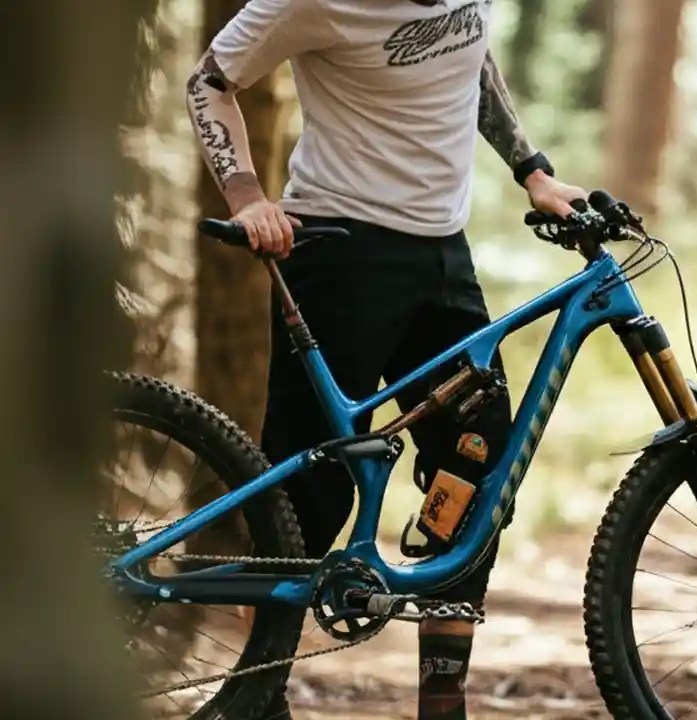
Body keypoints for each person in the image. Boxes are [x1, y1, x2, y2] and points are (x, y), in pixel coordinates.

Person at [184, 1, 587, 717]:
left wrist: (534, 171)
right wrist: (246, 195)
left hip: (442, 254)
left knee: (477, 463)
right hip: (339, 253)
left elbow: (469, 50)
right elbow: (210, 80)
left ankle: (443, 697)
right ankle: (258, 694)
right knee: (310, 495)